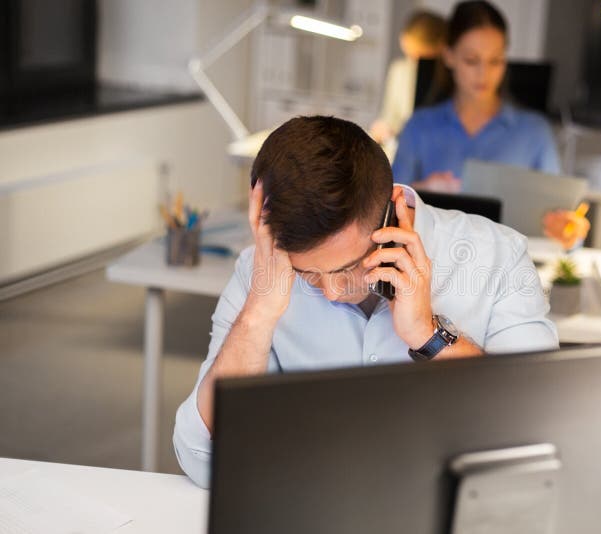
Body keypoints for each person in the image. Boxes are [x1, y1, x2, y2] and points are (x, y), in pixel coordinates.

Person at [173, 116, 558, 488]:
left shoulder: (499, 256)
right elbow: (201, 460)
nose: (331, 291)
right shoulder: (261, 271)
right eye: (308, 273)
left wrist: (429, 336)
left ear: (392, 211)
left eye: (347, 267)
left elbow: (541, 436)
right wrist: (258, 315)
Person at [392, 0, 561, 192]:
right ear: (449, 56)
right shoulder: (418, 127)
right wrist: (422, 190)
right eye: (471, 61)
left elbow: (556, 203)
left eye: (495, 61)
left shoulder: (535, 132)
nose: (484, 74)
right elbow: (390, 201)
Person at [369, 10, 447, 146]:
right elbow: (389, 117)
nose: (415, 65)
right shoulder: (399, 71)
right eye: (411, 55)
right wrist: (383, 130)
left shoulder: (450, 81)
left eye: (420, 59)